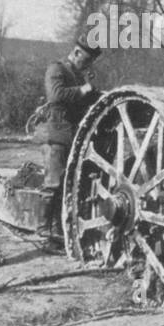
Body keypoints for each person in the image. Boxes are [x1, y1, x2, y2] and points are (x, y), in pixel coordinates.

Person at [40, 36, 103, 241]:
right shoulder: (56, 69)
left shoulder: (77, 76)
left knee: (67, 186)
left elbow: (82, 99)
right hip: (57, 135)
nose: (88, 65)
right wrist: (83, 89)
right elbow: (56, 95)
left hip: (73, 137)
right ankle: (44, 231)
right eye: (86, 60)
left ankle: (59, 231)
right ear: (76, 53)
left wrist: (96, 94)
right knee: (53, 184)